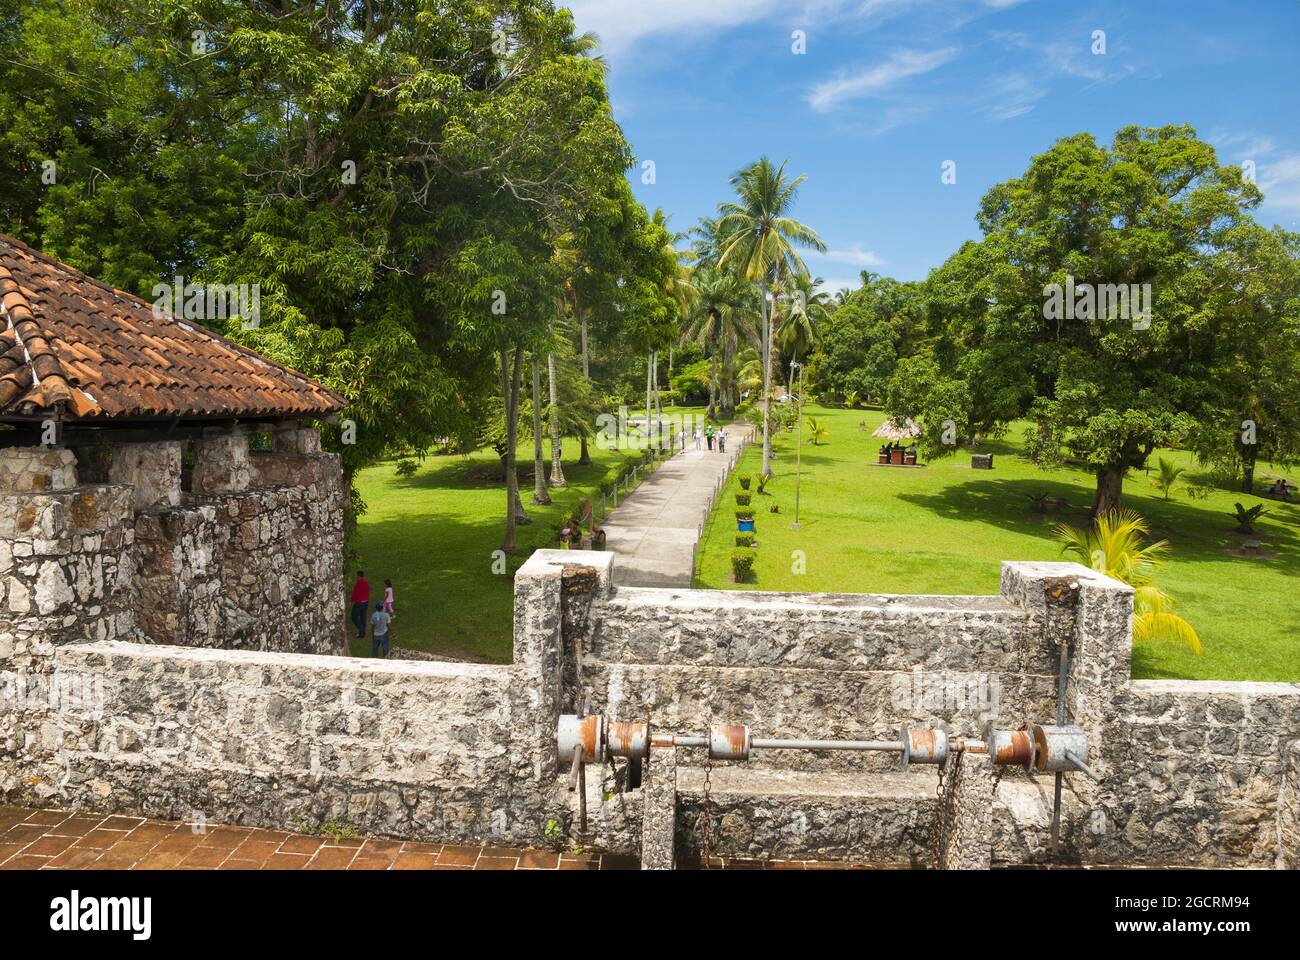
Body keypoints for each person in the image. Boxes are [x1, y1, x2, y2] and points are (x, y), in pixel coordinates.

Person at [349, 570, 370, 640]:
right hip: (366, 602)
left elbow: (356, 593)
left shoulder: (359, 583)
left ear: (359, 576)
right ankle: (362, 633)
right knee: (363, 617)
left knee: (353, 616)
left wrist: (352, 601)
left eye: (356, 576)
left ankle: (361, 630)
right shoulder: (366, 583)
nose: (356, 577)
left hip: (359, 603)